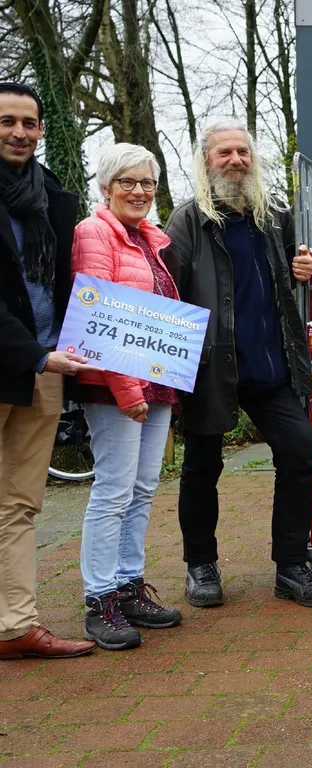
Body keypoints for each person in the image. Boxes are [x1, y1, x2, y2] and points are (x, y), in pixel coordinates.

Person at [162, 119, 312, 609]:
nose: (236, 161)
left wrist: (302, 270)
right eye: (225, 154)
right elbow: (170, 295)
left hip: (268, 366)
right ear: (207, 161)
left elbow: (287, 276)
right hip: (211, 370)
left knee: (300, 449)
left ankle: (290, 565)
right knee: (202, 467)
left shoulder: (273, 217)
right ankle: (201, 565)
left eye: (243, 152)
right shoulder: (188, 220)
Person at [70, 144, 184, 650]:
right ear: (105, 187)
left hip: (154, 381)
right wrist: (125, 389)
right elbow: (96, 316)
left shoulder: (149, 239)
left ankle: (129, 584)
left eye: (147, 183)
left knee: (141, 488)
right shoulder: (94, 233)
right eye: (127, 182)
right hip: (114, 384)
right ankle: (100, 601)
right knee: (113, 490)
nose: (139, 192)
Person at [0, 82, 98, 660]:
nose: (18, 132)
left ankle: (15, 626)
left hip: (44, 368)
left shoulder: (53, 198)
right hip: (28, 359)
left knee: (20, 503)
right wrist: (38, 353)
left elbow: (76, 288)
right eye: (6, 121)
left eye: (29, 123)